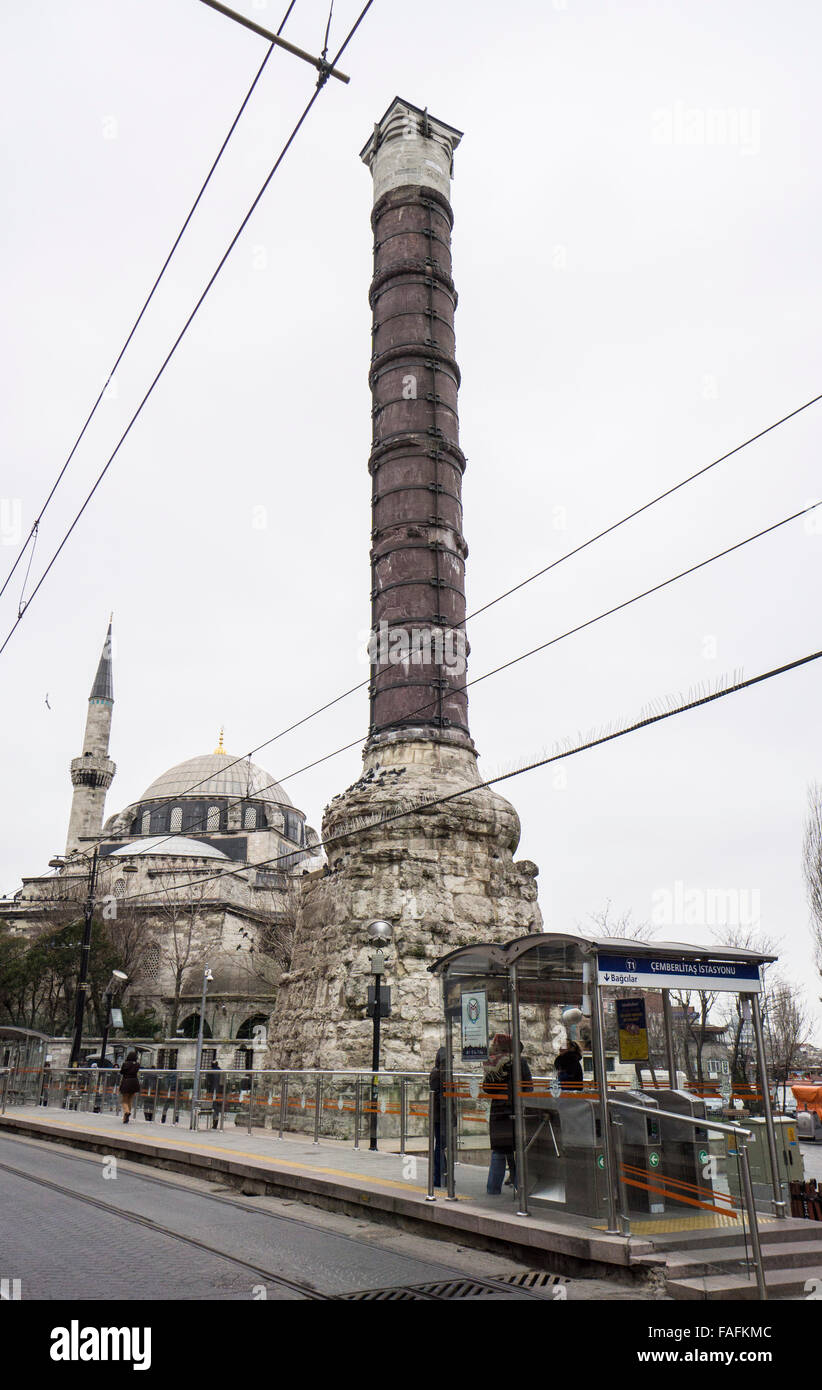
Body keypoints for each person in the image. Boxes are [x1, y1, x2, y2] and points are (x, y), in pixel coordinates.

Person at [482, 1034, 533, 1195]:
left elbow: (487, 1088)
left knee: (499, 1151)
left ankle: (493, 1188)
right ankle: (520, 1187)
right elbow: (528, 1086)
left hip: (497, 1110)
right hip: (514, 1109)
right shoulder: (519, 1062)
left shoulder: (491, 1063)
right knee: (517, 1149)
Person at [428, 1046, 448, 1188]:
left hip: (442, 1115)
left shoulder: (442, 1073)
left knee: (441, 1145)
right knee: (440, 1145)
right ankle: (438, 1176)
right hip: (440, 1115)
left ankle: (443, 1174)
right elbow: (440, 1093)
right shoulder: (437, 1073)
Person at [118, 1050, 141, 1123]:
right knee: (130, 1100)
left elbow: (121, 1072)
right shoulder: (137, 1064)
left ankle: (127, 1112)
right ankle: (125, 1118)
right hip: (135, 1082)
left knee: (124, 1100)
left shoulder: (125, 1064)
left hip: (126, 1081)